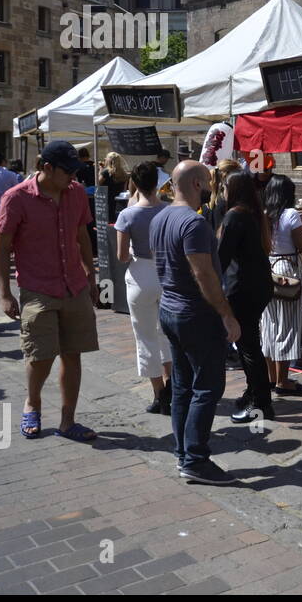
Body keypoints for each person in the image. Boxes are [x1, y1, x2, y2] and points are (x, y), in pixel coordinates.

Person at [0, 141, 100, 442]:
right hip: (38, 287)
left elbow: (82, 236)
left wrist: (91, 276)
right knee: (40, 355)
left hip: (74, 285)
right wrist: (4, 293)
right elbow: (2, 249)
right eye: (68, 171)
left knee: (73, 353)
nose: (74, 177)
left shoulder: (76, 193)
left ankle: (68, 421)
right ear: (47, 167)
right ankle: (33, 402)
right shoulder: (16, 198)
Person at [150, 160, 242, 485]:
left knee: (182, 387)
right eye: (208, 182)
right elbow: (203, 274)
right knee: (206, 388)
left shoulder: (160, 217)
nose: (211, 189)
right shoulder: (194, 223)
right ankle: (196, 460)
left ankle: (183, 453)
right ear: (196, 185)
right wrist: (226, 314)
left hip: (171, 310)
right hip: (195, 315)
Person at [217, 170, 275, 422]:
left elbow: (221, 257)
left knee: (248, 345)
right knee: (250, 344)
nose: (222, 193)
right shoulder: (252, 213)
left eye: (224, 188)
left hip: (243, 288)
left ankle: (260, 403)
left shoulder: (234, 216)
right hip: (258, 286)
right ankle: (254, 391)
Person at [115, 162, 172, 415]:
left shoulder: (127, 215)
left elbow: (121, 256)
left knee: (145, 337)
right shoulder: (169, 210)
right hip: (166, 274)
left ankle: (160, 395)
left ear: (135, 184)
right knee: (168, 334)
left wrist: (131, 251)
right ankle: (173, 387)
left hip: (141, 274)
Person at [261, 174, 302, 395]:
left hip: (267, 269)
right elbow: (301, 246)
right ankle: (283, 381)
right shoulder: (291, 214)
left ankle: (271, 378)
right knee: (287, 326)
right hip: (286, 271)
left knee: (269, 325)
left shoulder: (263, 215)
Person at [98, 152, 130, 222]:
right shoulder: (124, 173)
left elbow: (98, 184)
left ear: (108, 161)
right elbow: (124, 189)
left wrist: (100, 170)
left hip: (107, 202)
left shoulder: (106, 172)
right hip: (120, 202)